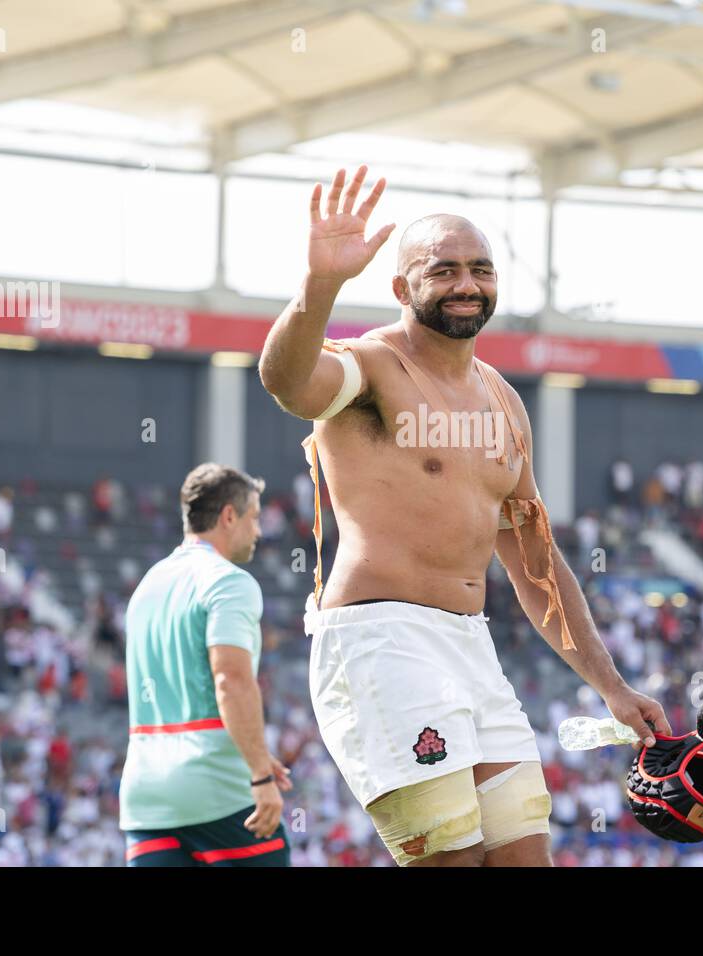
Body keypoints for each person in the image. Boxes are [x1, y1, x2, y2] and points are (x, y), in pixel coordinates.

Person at [259, 165, 668, 867]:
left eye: (479, 269)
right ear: (400, 287)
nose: (465, 284)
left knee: (522, 858)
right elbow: (288, 381)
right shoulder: (371, 366)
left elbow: (535, 560)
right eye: (442, 270)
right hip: (382, 642)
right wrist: (321, 282)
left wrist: (612, 687)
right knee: (450, 859)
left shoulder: (503, 400)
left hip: (471, 648)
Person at [118, 463, 292, 866]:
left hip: (146, 795)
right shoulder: (229, 582)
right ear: (229, 516)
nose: (259, 532)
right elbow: (229, 680)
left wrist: (259, 753)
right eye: (254, 518)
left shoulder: (147, 586)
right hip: (216, 786)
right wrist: (261, 777)